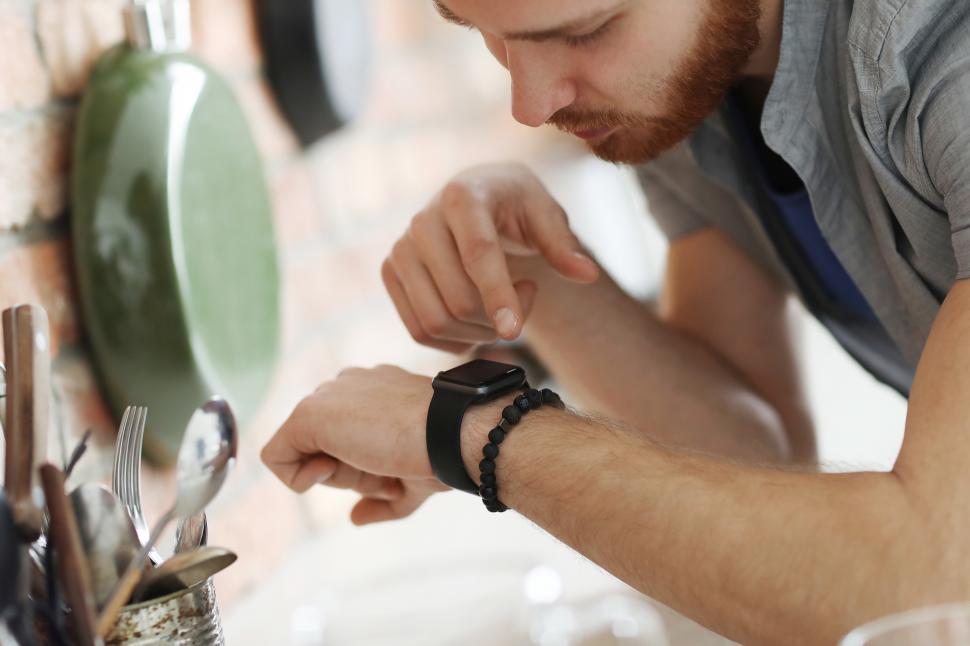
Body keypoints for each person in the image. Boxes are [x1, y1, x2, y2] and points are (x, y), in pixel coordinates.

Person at [261, 0, 970, 642]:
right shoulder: (691, 90)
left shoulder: (942, 47)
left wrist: (481, 434)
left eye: (586, 31)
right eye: (486, 34)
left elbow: (931, 586)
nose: (530, 106)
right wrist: (535, 272)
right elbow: (751, 457)